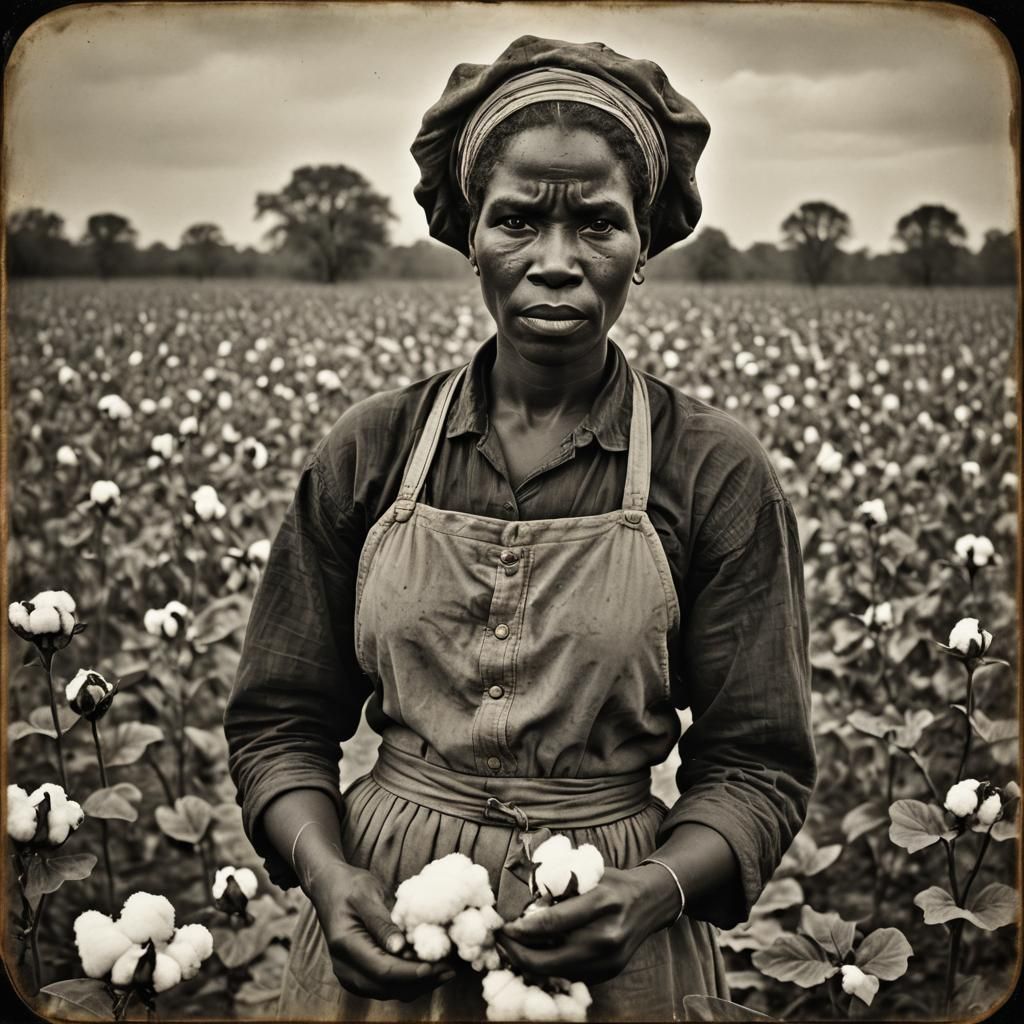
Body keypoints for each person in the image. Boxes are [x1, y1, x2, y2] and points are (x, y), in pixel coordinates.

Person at [224, 34, 816, 1022]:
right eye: (516, 221)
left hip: (615, 938)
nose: (554, 262)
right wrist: (328, 876)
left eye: (596, 223)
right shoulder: (368, 450)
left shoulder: (713, 472)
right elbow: (279, 721)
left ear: (643, 244)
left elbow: (757, 766)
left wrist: (653, 892)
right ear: (470, 237)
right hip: (382, 927)